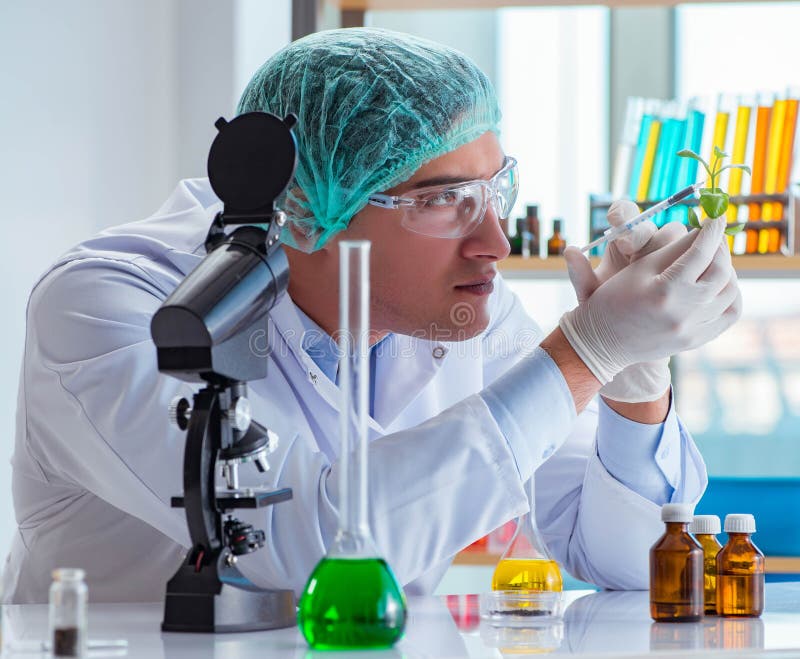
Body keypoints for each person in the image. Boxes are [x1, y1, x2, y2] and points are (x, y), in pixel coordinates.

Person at [2, 28, 741, 603]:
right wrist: (584, 353)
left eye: (495, 191)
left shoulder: (460, 310)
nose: (496, 242)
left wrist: (633, 387)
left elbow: (629, 562)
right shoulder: (109, 308)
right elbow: (316, 544)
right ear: (312, 208)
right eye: (446, 201)